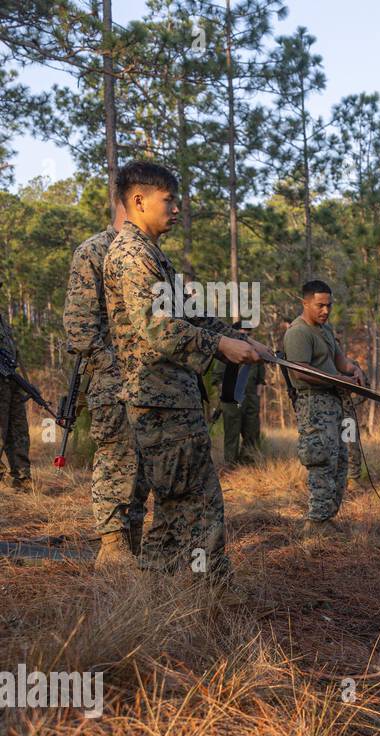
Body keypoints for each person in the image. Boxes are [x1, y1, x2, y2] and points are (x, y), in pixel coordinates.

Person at [103, 160, 274, 577]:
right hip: (160, 401)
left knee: (175, 501)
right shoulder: (131, 256)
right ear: (139, 200)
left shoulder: (152, 256)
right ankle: (213, 590)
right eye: (169, 200)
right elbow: (157, 328)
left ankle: (160, 586)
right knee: (199, 501)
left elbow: (190, 314)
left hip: (171, 398)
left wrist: (240, 338)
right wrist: (222, 346)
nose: (177, 209)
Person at [63, 194, 149, 564]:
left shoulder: (146, 253)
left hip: (147, 378)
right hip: (111, 379)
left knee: (143, 461)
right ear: (129, 202)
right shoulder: (94, 251)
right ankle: (112, 546)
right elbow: (79, 327)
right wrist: (109, 366)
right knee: (117, 455)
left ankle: (132, 541)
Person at [282, 279, 366, 530]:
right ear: (304, 302)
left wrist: (354, 369)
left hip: (334, 402)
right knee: (321, 460)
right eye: (320, 305)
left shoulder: (325, 330)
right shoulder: (298, 332)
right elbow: (301, 372)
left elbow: (339, 360)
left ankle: (327, 517)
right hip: (314, 405)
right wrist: (338, 379)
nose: (325, 311)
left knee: (340, 459)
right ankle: (315, 522)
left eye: (329, 305)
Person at [0, 286, 33, 494]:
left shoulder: (3, 319)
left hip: (11, 381)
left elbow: (14, 353)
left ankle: (22, 478)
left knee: (19, 430)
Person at [217, 341, 265, 467]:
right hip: (232, 399)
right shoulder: (227, 352)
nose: (245, 334)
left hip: (251, 398)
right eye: (242, 331)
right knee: (232, 431)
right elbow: (218, 378)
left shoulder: (256, 355)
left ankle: (250, 462)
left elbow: (261, 380)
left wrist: (257, 398)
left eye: (247, 331)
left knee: (252, 431)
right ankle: (231, 464)